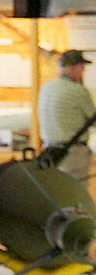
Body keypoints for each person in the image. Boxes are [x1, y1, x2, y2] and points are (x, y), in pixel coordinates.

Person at [40, 50, 96, 181]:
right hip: (73, 153)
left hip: (50, 150)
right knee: (76, 194)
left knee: (57, 191)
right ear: (75, 67)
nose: (83, 71)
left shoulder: (46, 87)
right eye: (82, 68)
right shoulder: (78, 91)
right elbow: (93, 120)